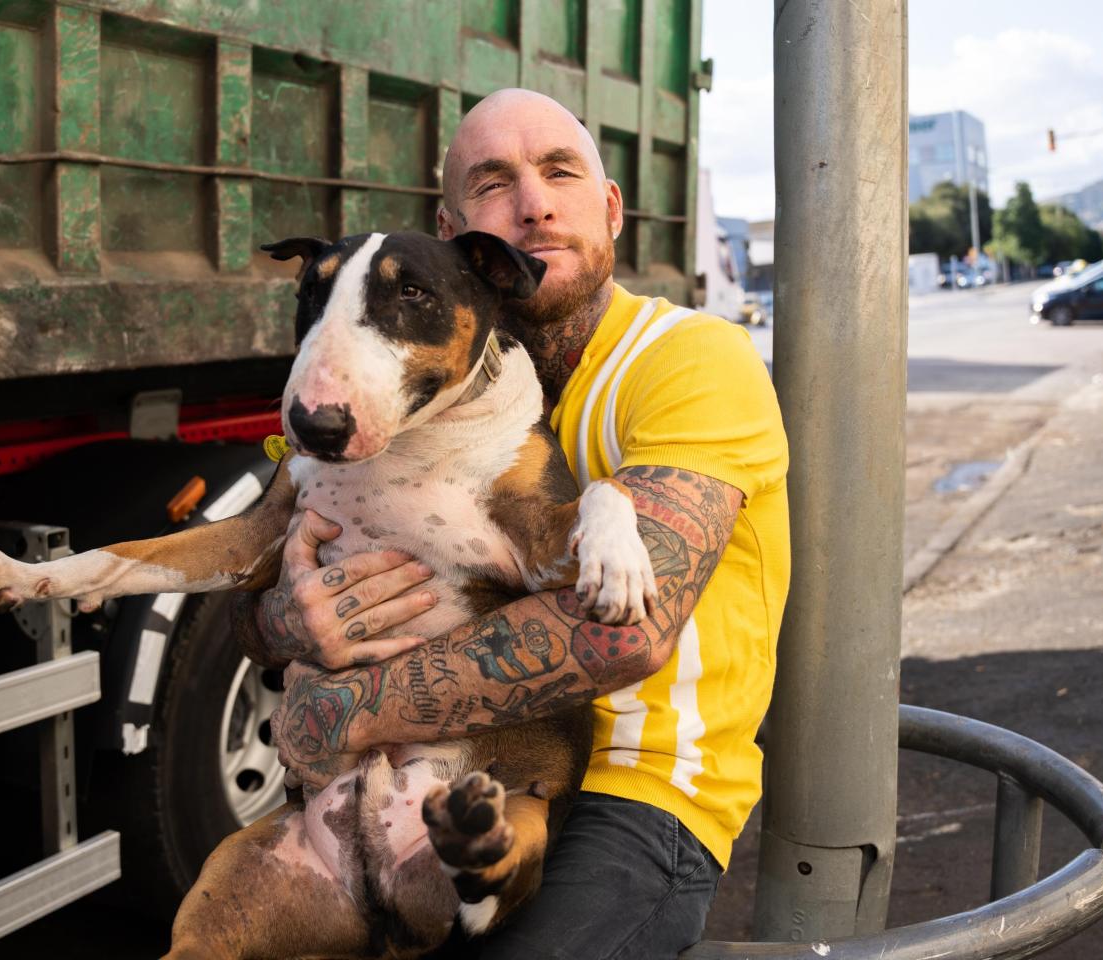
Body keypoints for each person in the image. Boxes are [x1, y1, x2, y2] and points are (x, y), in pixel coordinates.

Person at [245, 88, 789, 959]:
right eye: (496, 182)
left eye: (561, 172)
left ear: (609, 208)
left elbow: (619, 636)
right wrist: (284, 617)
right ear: (454, 234)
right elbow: (265, 583)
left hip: (635, 797)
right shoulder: (421, 393)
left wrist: (345, 710)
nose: (533, 203)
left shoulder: (694, 359)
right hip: (445, 767)